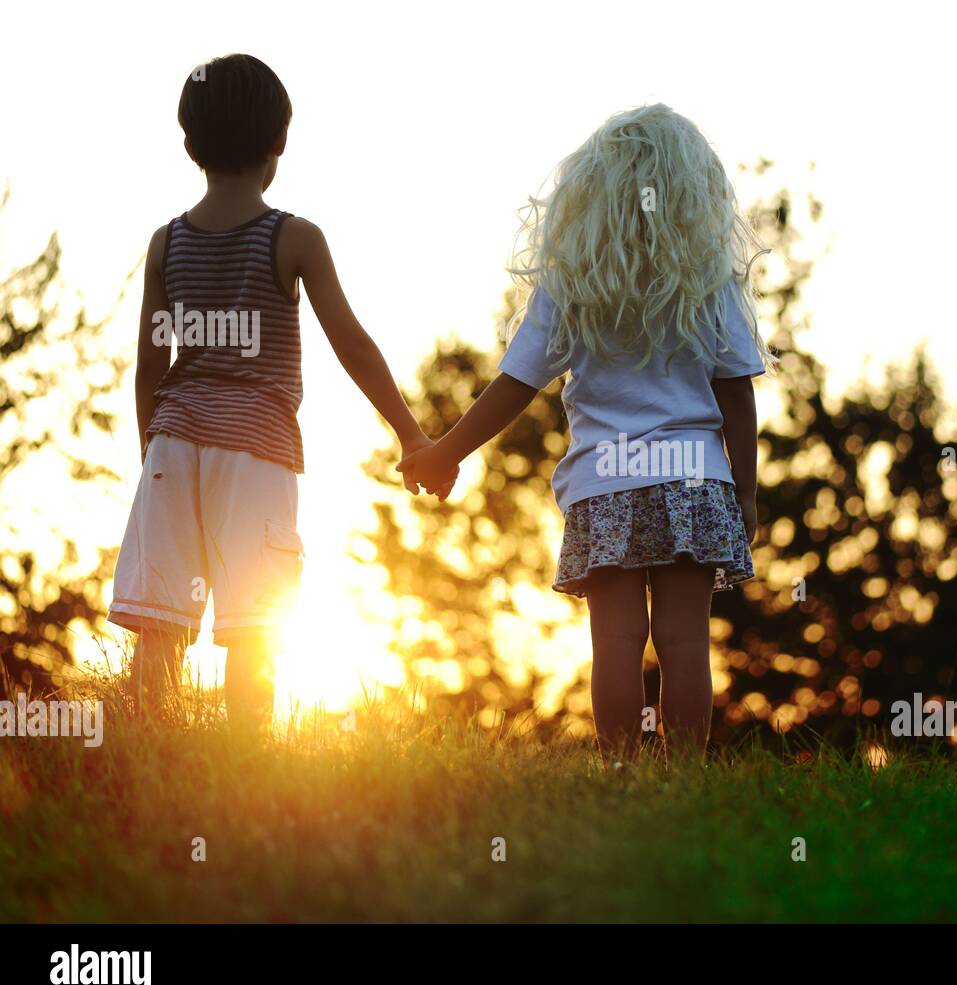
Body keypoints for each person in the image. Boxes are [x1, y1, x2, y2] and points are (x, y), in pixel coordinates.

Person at [399, 104, 771, 758]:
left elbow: (516, 383)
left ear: (590, 192)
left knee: (617, 643)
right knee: (685, 642)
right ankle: (684, 780)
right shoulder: (707, 280)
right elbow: (735, 390)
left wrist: (442, 451)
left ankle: (620, 771)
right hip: (695, 477)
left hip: (608, 485)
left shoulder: (573, 281)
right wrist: (745, 491)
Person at [108, 54, 448, 728]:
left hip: (173, 445)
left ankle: (147, 754)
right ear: (279, 144)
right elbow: (351, 343)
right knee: (254, 623)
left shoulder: (163, 245)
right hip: (257, 453)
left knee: (159, 621)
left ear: (189, 145)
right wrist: (410, 433)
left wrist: (155, 451)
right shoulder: (292, 237)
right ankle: (246, 760)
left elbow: (149, 366)